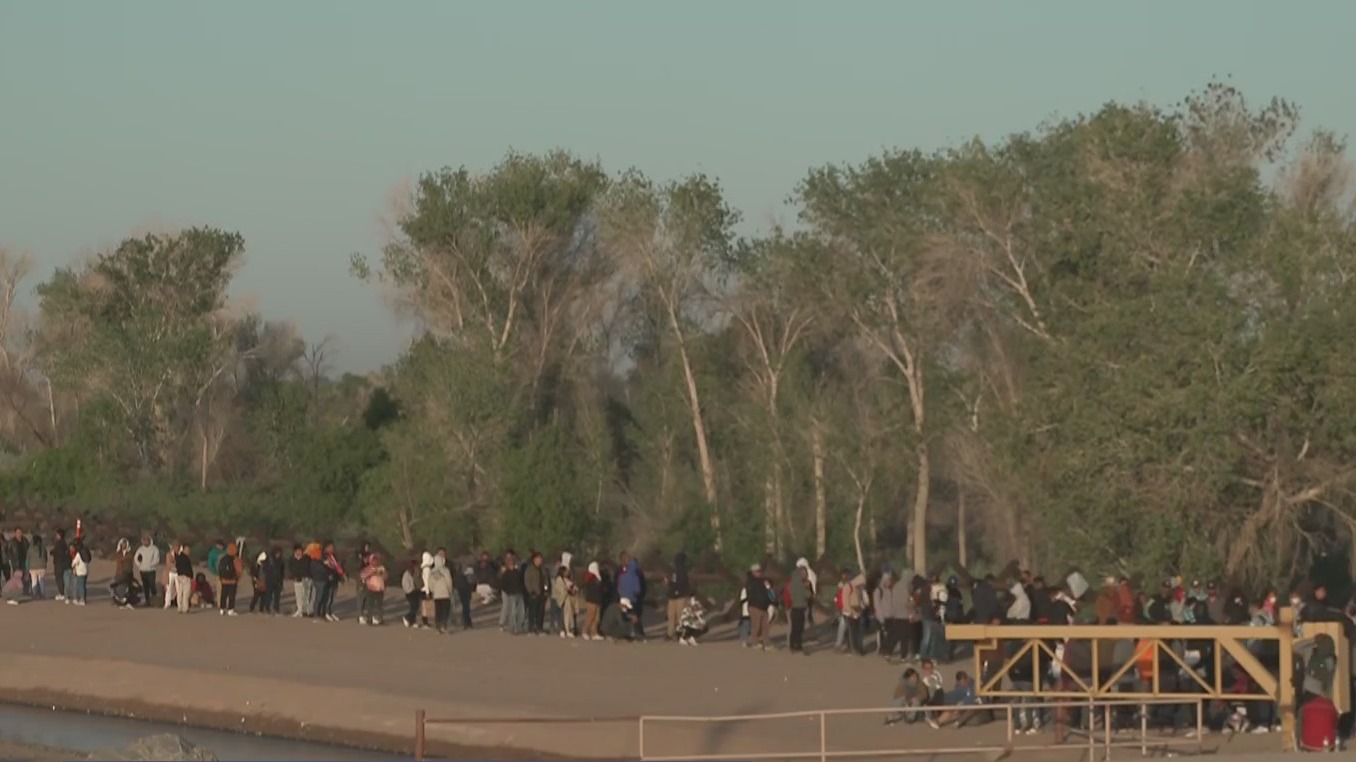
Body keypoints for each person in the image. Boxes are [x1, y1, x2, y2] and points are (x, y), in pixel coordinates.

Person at [745, 564, 772, 651]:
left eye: (760, 571)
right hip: (755, 606)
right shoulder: (750, 582)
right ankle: (755, 643)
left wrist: (768, 586)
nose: (759, 573)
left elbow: (768, 592)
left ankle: (767, 643)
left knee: (765, 626)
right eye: (757, 571)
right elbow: (750, 595)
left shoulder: (763, 581)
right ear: (753, 572)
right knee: (756, 626)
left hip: (764, 606)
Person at [317, 542, 345, 622]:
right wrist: (329, 566)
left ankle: (330, 612)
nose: (332, 549)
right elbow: (323, 566)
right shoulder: (323, 556)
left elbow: (337, 566)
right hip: (327, 578)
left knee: (333, 596)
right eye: (330, 547)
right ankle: (325, 612)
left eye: (333, 547)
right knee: (327, 597)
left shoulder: (334, 556)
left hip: (335, 578)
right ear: (326, 548)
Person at [499, 551, 526, 634]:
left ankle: (519, 626)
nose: (511, 563)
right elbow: (503, 584)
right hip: (511, 594)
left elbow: (522, 581)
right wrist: (508, 591)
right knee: (513, 612)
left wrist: (522, 590)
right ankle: (513, 628)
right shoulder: (505, 573)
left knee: (522, 611)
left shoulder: (518, 572)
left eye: (512, 562)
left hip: (519, 593)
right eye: (509, 562)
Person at [666, 551, 691, 641]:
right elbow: (673, 581)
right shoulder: (675, 571)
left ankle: (680, 633)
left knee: (680, 616)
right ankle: (671, 633)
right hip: (673, 596)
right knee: (671, 616)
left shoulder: (683, 571)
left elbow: (682, 583)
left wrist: (675, 590)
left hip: (680, 596)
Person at [524, 551, 550, 636]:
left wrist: (546, 590)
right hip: (533, 593)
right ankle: (531, 629)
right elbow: (527, 581)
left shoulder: (543, 569)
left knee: (541, 612)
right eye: (538, 559)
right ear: (534, 559)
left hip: (542, 593)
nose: (539, 560)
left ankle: (539, 628)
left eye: (540, 559)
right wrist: (530, 591)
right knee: (532, 612)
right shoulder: (530, 569)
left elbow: (546, 581)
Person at [359, 551, 388, 625]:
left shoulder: (381, 567)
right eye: (373, 560)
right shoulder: (368, 568)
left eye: (376, 560)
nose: (375, 562)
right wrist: (370, 574)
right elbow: (362, 576)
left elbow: (386, 577)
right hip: (371, 589)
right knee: (370, 605)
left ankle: (380, 619)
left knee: (379, 605)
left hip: (380, 589)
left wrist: (382, 574)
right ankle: (369, 619)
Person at [427, 553, 453, 633]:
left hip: (436, 595)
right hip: (445, 594)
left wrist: (433, 590)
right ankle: (444, 624)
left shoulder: (432, 572)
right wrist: (450, 590)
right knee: (446, 610)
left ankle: (438, 625)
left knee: (438, 610)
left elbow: (430, 583)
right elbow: (449, 582)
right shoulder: (446, 571)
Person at [552, 561, 579, 638]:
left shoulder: (568, 579)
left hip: (569, 600)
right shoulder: (559, 579)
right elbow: (560, 590)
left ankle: (569, 630)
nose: (567, 573)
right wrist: (567, 589)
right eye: (566, 571)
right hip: (563, 600)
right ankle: (562, 630)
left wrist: (573, 589)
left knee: (569, 615)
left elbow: (574, 588)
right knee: (562, 616)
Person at [788, 563, 810, 654]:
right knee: (798, 628)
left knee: (795, 628)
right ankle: (797, 645)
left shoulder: (793, 582)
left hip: (795, 607)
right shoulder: (802, 583)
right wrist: (808, 587)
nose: (805, 574)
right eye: (804, 572)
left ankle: (794, 645)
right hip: (799, 607)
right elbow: (807, 595)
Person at [217, 541, 243, 615]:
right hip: (232, 580)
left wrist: (221, 577)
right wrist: (237, 578)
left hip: (224, 580)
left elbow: (219, 568)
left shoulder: (223, 558)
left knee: (223, 595)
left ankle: (222, 609)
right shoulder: (236, 559)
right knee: (231, 595)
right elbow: (239, 570)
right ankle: (230, 609)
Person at [134, 535, 160, 606]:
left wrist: (151, 564)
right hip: (143, 570)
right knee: (145, 586)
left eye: (147, 540)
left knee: (152, 585)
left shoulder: (154, 549)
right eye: (144, 540)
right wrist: (139, 565)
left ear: (150, 540)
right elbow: (136, 558)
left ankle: (154, 600)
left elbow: (156, 559)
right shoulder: (140, 549)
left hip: (151, 570)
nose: (145, 542)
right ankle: (147, 601)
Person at [287, 544, 312, 618]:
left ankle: (305, 611)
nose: (299, 552)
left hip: (306, 579)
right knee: (298, 595)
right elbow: (290, 569)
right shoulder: (292, 559)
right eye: (297, 551)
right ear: (294, 551)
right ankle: (299, 610)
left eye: (300, 551)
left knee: (306, 595)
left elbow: (308, 568)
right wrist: (293, 576)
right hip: (297, 580)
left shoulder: (307, 558)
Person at [582, 561, 604, 640]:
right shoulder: (590, 577)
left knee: (596, 618)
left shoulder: (597, 577)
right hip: (591, 600)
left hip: (597, 600)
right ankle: (585, 631)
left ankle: (594, 632)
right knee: (590, 616)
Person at [173, 543, 194, 614]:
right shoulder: (186, 558)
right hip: (186, 577)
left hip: (180, 576)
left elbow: (177, 566)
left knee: (180, 592)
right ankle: (185, 608)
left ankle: (179, 607)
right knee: (186, 593)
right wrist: (191, 576)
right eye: (187, 550)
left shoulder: (178, 557)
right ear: (184, 550)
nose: (189, 551)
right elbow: (189, 569)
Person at [454, 561, 475, 630]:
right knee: (466, 607)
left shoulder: (458, 574)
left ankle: (467, 622)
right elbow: (471, 582)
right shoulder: (466, 573)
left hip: (463, 590)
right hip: (464, 590)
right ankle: (467, 622)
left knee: (466, 607)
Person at [401, 559, 421, 628]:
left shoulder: (416, 573)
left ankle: (413, 621)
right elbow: (404, 583)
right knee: (413, 606)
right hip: (410, 592)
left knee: (416, 606)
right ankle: (407, 617)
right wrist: (409, 589)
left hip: (416, 591)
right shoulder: (407, 574)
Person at [25, 534, 47, 600]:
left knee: (34, 581)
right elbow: (45, 557)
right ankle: (42, 594)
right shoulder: (43, 547)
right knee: (41, 581)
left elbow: (27, 559)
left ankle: (34, 594)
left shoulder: (30, 548)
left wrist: (27, 568)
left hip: (32, 568)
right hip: (42, 567)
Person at [70, 537, 90, 605]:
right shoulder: (85, 551)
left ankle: (82, 600)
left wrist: (72, 564)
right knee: (83, 586)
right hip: (86, 570)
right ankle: (83, 598)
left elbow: (74, 562)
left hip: (80, 571)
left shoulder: (79, 554)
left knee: (81, 586)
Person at [51, 529, 70, 602]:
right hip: (64, 563)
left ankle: (62, 593)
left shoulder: (58, 543)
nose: (56, 536)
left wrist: (53, 552)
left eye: (57, 534)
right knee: (63, 578)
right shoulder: (64, 543)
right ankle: (63, 592)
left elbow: (58, 553)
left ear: (59, 535)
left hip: (59, 563)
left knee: (59, 578)